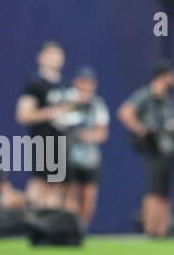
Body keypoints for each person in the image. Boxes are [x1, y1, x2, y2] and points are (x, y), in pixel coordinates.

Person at [119, 61, 174, 238]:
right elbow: (125, 112)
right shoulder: (146, 95)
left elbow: (173, 127)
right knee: (153, 189)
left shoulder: (168, 101)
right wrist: (142, 130)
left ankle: (161, 231)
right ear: (163, 76)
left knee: (165, 190)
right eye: (171, 75)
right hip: (152, 147)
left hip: (167, 149)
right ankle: (150, 230)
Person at [15, 40, 71, 207]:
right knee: (40, 181)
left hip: (61, 140)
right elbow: (23, 115)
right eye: (51, 55)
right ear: (41, 58)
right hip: (42, 139)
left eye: (58, 55)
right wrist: (52, 112)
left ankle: (50, 223)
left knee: (57, 183)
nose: (55, 59)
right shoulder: (35, 83)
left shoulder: (63, 84)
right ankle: (32, 220)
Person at [57, 66, 110, 230]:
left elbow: (102, 133)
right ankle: (67, 229)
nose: (87, 87)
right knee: (69, 196)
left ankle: (81, 230)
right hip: (68, 157)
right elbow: (59, 121)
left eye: (90, 83)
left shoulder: (98, 104)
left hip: (89, 160)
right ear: (76, 83)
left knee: (88, 197)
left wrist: (85, 136)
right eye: (83, 82)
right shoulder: (66, 99)